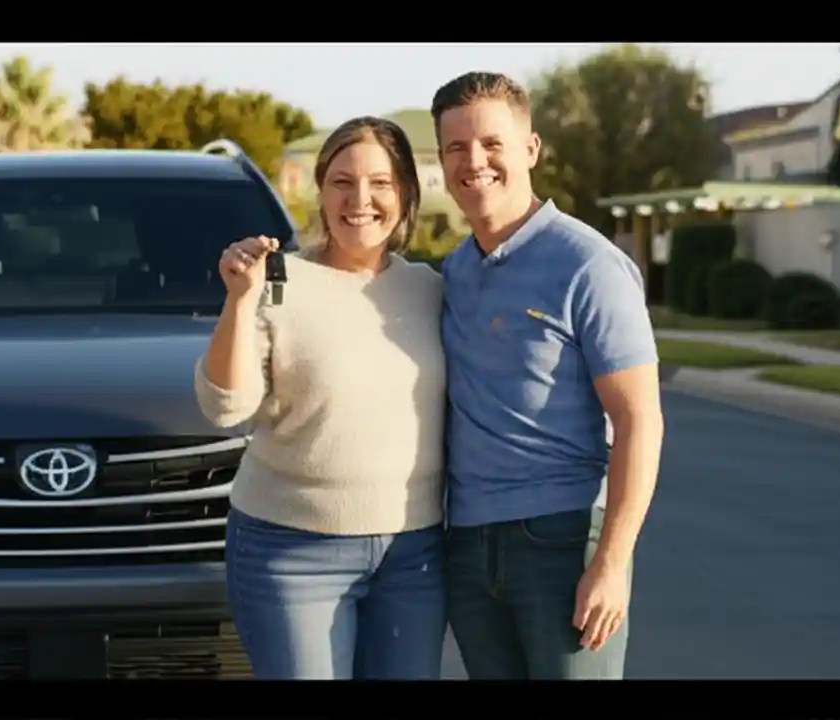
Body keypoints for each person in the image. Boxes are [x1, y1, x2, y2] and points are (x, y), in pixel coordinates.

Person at [192, 116, 448, 680]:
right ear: (321, 191)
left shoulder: (432, 290)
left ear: (406, 194)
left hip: (415, 556)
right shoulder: (276, 281)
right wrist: (239, 301)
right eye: (343, 182)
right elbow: (225, 406)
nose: (361, 199)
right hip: (290, 553)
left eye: (381, 183)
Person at [431, 71, 665, 679]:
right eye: (456, 148)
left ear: (530, 149)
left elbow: (638, 419)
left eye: (491, 144)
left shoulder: (589, 265)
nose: (474, 162)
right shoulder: (452, 273)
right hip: (467, 544)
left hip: (561, 543)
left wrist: (613, 562)